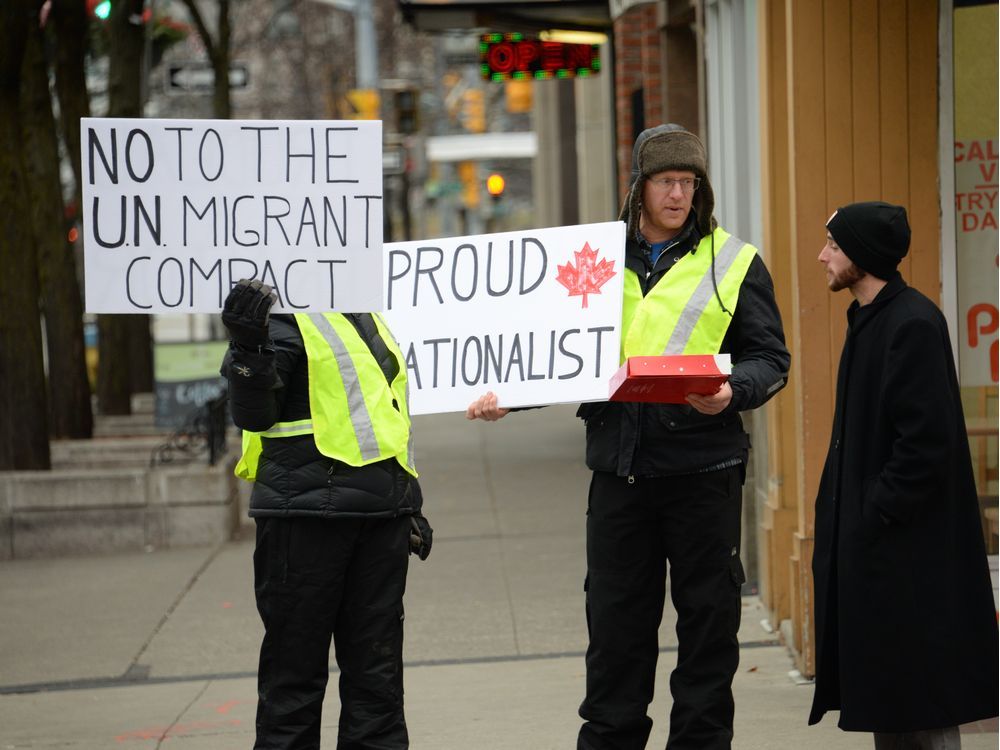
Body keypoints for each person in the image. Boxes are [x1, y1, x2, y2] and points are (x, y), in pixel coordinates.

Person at [467, 124, 790, 750]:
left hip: (703, 474)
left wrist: (733, 391)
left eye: (689, 183)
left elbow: (770, 358)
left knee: (707, 632)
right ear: (639, 186)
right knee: (616, 633)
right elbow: (557, 353)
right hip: (621, 475)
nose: (679, 195)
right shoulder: (593, 260)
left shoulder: (734, 262)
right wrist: (506, 396)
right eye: (666, 181)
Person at [810, 202, 999, 749]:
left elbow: (925, 445)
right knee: (894, 701)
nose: (822, 256)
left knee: (922, 703)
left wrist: (874, 511)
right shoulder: (872, 318)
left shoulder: (910, 323)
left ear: (863, 256)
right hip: (885, 554)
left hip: (910, 557)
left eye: (834, 246)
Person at [219, 278, 432, 750]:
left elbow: (385, 415)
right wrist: (248, 347)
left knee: (378, 687)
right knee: (293, 685)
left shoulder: (362, 310)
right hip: (304, 519)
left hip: (379, 518)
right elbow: (254, 414)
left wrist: (409, 503)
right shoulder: (281, 312)